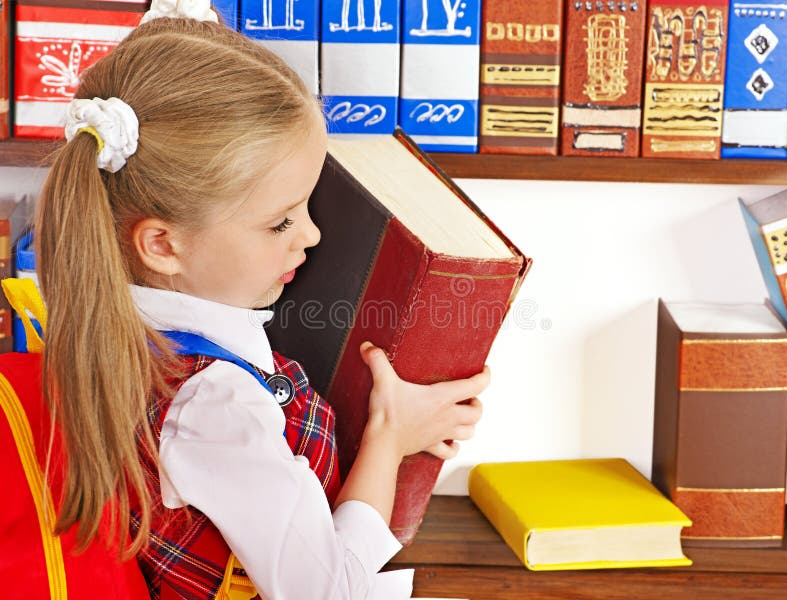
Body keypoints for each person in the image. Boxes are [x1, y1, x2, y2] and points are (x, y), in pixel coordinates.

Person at [34, 1, 487, 598]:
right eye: (279, 222)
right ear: (163, 245)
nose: (313, 235)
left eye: (307, 205)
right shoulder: (215, 404)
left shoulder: (133, 328)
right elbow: (327, 593)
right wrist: (390, 438)